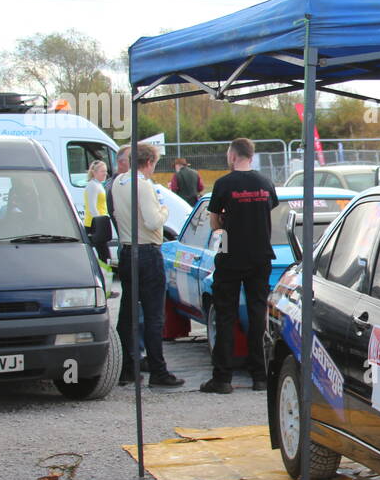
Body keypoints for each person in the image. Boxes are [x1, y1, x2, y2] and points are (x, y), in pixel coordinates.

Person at [201, 137, 279, 394]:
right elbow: (268, 216)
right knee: (258, 315)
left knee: (226, 315)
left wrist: (226, 220)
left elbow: (215, 225)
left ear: (233, 156)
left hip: (230, 256)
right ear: (252, 156)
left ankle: (222, 378)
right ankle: (260, 376)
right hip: (260, 256)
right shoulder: (265, 183)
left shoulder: (224, 184)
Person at [111, 143, 184, 388]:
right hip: (147, 251)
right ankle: (158, 370)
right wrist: (163, 210)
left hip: (127, 249)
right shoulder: (143, 185)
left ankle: (126, 367)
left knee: (127, 312)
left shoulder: (118, 182)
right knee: (154, 315)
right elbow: (153, 221)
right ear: (150, 162)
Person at [84, 160, 108, 226]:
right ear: (94, 172)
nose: (105, 173)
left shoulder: (98, 184)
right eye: (102, 171)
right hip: (93, 223)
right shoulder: (93, 185)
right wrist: (99, 224)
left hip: (100, 220)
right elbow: (92, 208)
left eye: (106, 171)